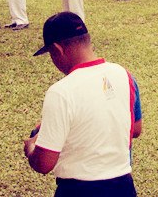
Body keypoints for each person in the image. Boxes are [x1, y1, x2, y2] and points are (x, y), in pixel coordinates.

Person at [25, 12, 142, 195]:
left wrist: (31, 147)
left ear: (57, 50)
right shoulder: (124, 75)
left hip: (78, 190)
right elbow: (135, 129)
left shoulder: (61, 92)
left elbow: (44, 164)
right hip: (124, 187)